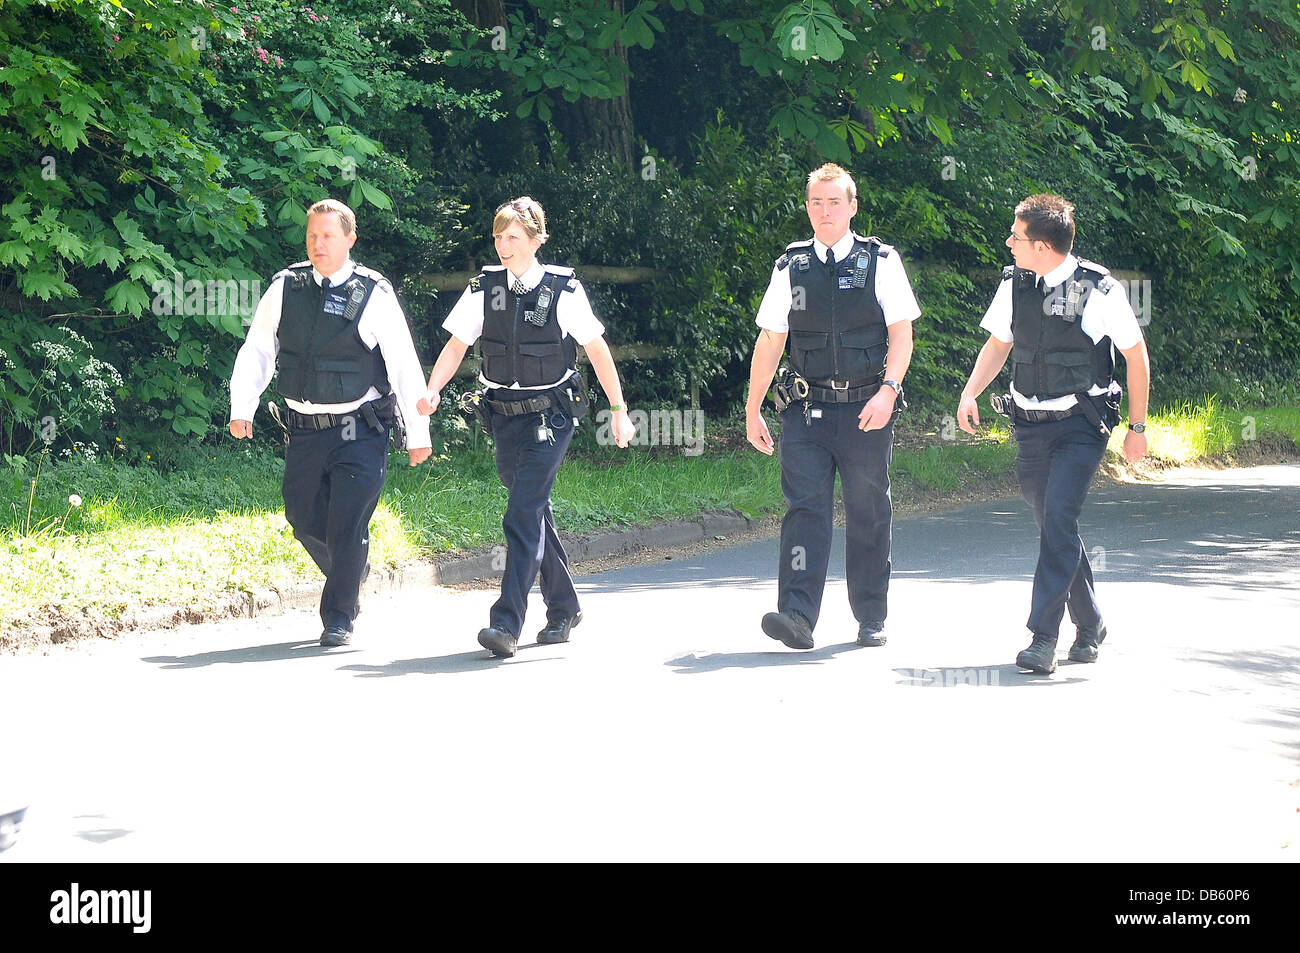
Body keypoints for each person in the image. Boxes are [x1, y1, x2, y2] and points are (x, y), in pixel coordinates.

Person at [418, 196, 636, 659]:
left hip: (550, 415)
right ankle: (564, 607)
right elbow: (457, 344)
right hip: (502, 416)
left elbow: (596, 349)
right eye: (498, 236)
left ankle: (506, 623)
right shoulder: (485, 287)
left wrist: (618, 409)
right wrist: (433, 388)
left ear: (537, 240)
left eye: (513, 236)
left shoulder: (562, 289)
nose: (503, 244)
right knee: (532, 511)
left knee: (521, 512)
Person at [957, 193, 1150, 674]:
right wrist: (970, 392)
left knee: (1059, 519)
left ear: (1042, 245)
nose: (1008, 243)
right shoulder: (1016, 283)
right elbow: (999, 343)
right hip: (1030, 426)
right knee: (1054, 525)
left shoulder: (1100, 290)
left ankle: (1043, 637)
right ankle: (1090, 624)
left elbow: (1136, 356)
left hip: (1080, 425)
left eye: (1016, 236)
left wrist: (1137, 428)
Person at [229, 198, 432, 648]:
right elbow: (258, 349)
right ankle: (350, 571)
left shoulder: (373, 292)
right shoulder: (287, 286)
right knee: (301, 516)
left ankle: (338, 615)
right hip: (304, 430)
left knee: (347, 523)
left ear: (350, 239)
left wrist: (419, 434)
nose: (318, 244)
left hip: (360, 429)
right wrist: (242, 406)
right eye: (312, 236)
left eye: (328, 236)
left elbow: (402, 362)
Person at [746, 163, 920, 650]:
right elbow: (771, 339)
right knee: (805, 510)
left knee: (868, 510)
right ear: (807, 208)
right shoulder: (791, 266)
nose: (825, 212)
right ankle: (798, 616)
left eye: (834, 203)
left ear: (852, 207)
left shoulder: (880, 261)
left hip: (867, 407)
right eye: (816, 203)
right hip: (805, 411)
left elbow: (901, 334)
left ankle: (870, 615)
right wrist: (753, 406)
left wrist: (889, 391)